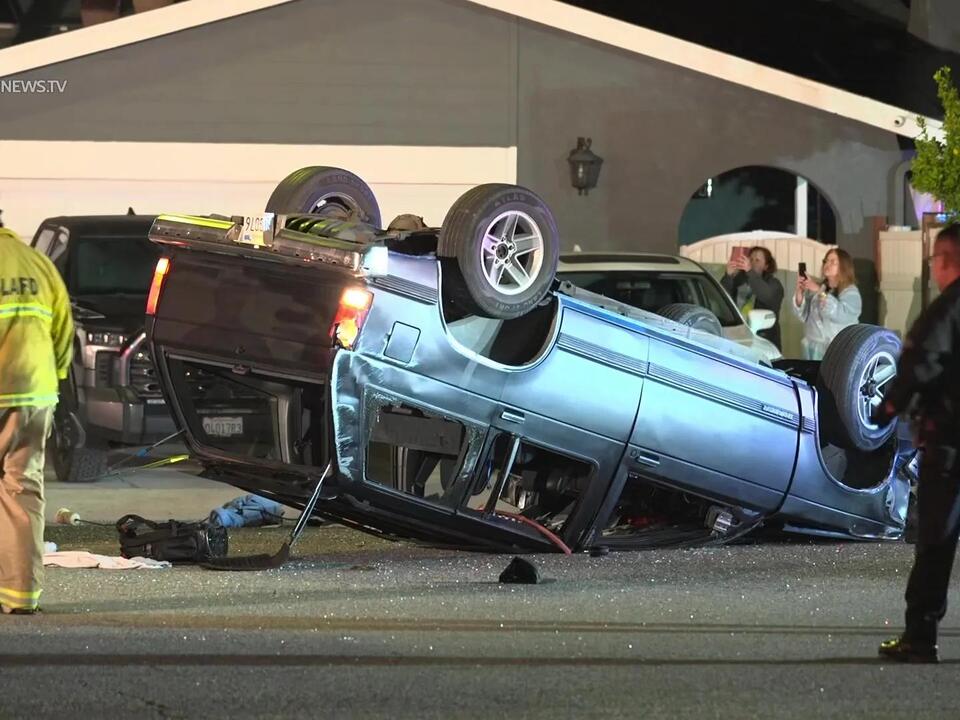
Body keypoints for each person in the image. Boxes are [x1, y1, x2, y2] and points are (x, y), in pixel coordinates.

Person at [873, 222, 960, 663]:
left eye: (935, 262)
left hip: (949, 444)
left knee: (936, 542)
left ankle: (920, 637)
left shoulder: (946, 310)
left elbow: (919, 364)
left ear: (946, 261)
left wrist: (888, 407)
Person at [0, 227, 74, 614]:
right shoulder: (37, 264)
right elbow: (63, 331)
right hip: (34, 394)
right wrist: (55, 378)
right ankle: (21, 596)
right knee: (21, 489)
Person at [791, 247, 861, 360]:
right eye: (826, 261)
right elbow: (804, 315)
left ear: (843, 266)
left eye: (833, 262)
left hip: (837, 350)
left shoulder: (851, 292)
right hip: (813, 350)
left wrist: (819, 291)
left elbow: (841, 315)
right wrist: (800, 291)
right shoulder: (821, 288)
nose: (827, 264)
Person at [721, 246, 784, 350]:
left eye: (757, 260)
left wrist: (750, 272)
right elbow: (722, 299)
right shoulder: (740, 280)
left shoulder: (774, 284)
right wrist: (728, 276)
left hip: (764, 340)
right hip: (738, 337)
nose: (752, 263)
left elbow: (766, 296)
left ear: (766, 266)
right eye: (751, 259)